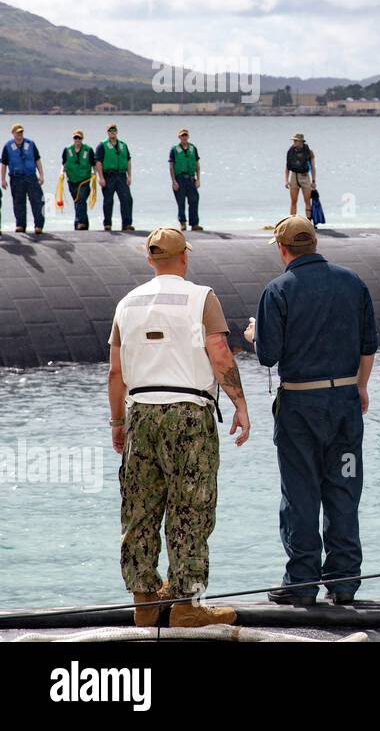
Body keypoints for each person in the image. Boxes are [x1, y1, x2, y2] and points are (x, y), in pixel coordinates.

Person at [109, 227, 250, 627]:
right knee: (191, 506)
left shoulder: (127, 304)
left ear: (149, 259)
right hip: (189, 412)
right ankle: (186, 605)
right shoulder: (201, 297)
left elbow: (116, 372)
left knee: (140, 509)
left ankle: (144, 603)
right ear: (184, 258)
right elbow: (220, 354)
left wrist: (117, 421)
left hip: (140, 412)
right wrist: (240, 404)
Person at [244, 215, 377, 606]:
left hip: (301, 404)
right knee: (344, 487)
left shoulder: (278, 290)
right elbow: (369, 346)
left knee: (301, 490)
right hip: (346, 404)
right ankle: (345, 581)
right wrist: (361, 387)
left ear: (283, 250)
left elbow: (268, 356)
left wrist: (254, 335)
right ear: (315, 243)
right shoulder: (353, 282)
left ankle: (302, 582)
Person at [1, 123, 45, 234]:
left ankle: (38, 225)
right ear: (13, 133)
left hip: (30, 176)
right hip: (16, 177)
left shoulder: (30, 144)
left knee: (37, 201)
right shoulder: (7, 146)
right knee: (18, 202)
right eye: (17, 132)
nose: (19, 134)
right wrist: (3, 179)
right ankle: (20, 225)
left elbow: (37, 159)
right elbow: (4, 164)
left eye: (21, 132)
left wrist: (41, 175)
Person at [96, 123, 134, 232]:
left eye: (114, 130)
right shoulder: (102, 145)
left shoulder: (123, 145)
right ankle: (107, 224)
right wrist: (101, 178)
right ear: (107, 132)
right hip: (108, 175)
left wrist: (129, 176)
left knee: (127, 199)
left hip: (122, 175)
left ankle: (126, 224)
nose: (112, 132)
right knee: (108, 200)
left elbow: (128, 160)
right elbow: (98, 162)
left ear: (117, 132)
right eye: (110, 131)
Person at [169, 128, 202, 232]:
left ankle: (194, 223)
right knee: (181, 202)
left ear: (188, 136)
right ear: (179, 137)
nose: (184, 137)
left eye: (185, 135)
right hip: (180, 178)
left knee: (194, 200)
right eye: (182, 136)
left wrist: (198, 179)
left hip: (191, 178)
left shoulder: (193, 148)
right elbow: (171, 166)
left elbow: (197, 164)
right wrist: (174, 181)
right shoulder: (174, 149)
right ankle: (183, 223)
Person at [62, 129, 96, 231]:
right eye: (75, 138)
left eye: (79, 138)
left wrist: (95, 174)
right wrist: (61, 173)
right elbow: (64, 163)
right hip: (72, 181)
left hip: (84, 180)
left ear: (82, 139)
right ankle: (82, 224)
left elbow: (93, 164)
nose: (77, 140)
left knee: (80, 199)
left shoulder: (88, 150)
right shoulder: (67, 150)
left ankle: (80, 222)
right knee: (78, 201)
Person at [284, 133, 316, 216]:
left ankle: (309, 221)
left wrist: (313, 181)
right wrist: (286, 180)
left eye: (296, 140)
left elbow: (312, 167)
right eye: (294, 140)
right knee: (293, 201)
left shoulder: (309, 152)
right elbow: (287, 167)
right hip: (294, 176)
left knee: (307, 201)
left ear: (301, 141)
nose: (294, 142)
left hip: (305, 177)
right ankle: (292, 221)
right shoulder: (290, 152)